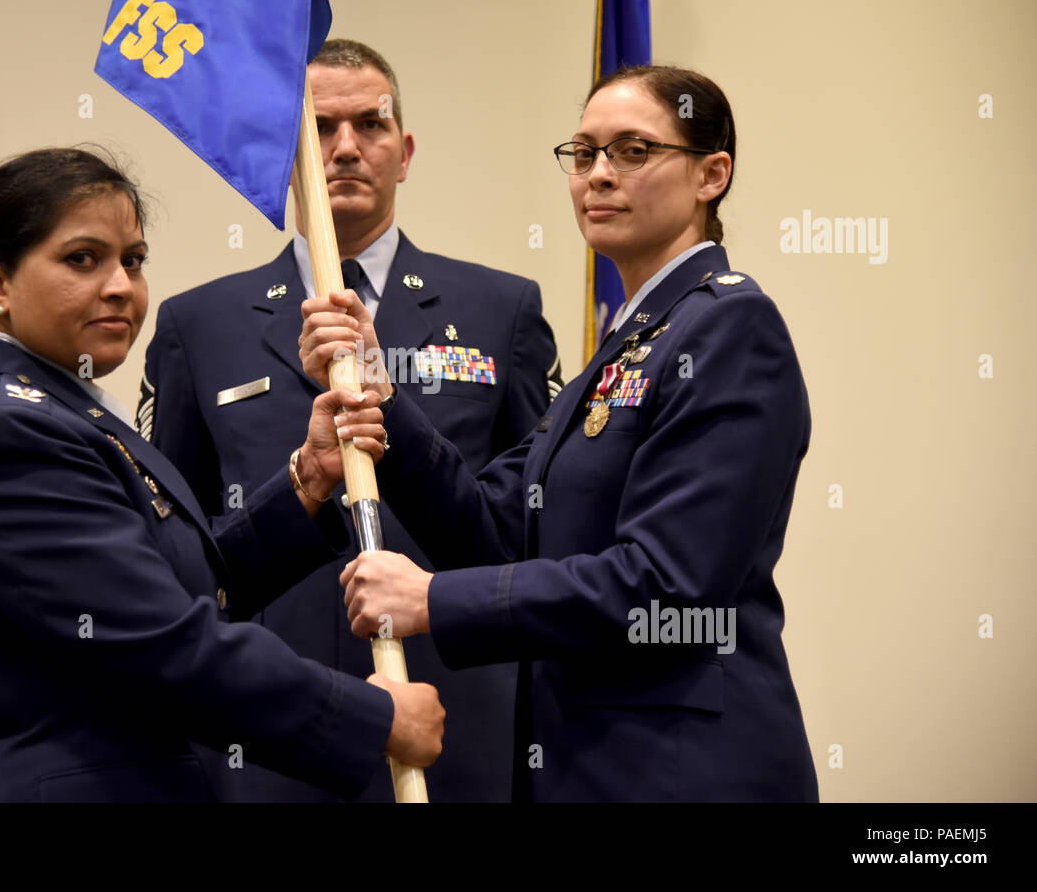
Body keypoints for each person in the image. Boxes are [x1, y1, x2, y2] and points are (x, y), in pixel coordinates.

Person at [301, 65, 819, 801]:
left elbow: (668, 590)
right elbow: (496, 531)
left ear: (712, 174)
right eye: (583, 153)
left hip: (683, 770)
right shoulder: (630, 343)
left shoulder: (730, 328)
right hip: (589, 766)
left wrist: (434, 601)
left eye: (633, 151)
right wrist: (387, 404)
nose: (598, 175)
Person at [0, 147, 444, 801]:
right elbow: (167, 646)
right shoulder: (13, 435)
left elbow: (186, 586)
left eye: (132, 260)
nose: (119, 285)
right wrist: (375, 717)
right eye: (82, 259)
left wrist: (307, 482)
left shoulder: (64, 410)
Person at [139, 40, 561, 801]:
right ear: (286, 156)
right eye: (320, 128)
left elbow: (528, 538)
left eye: (369, 125)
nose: (344, 148)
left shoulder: (501, 312)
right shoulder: (197, 324)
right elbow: (181, 559)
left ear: (404, 152)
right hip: (270, 747)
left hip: (457, 731)